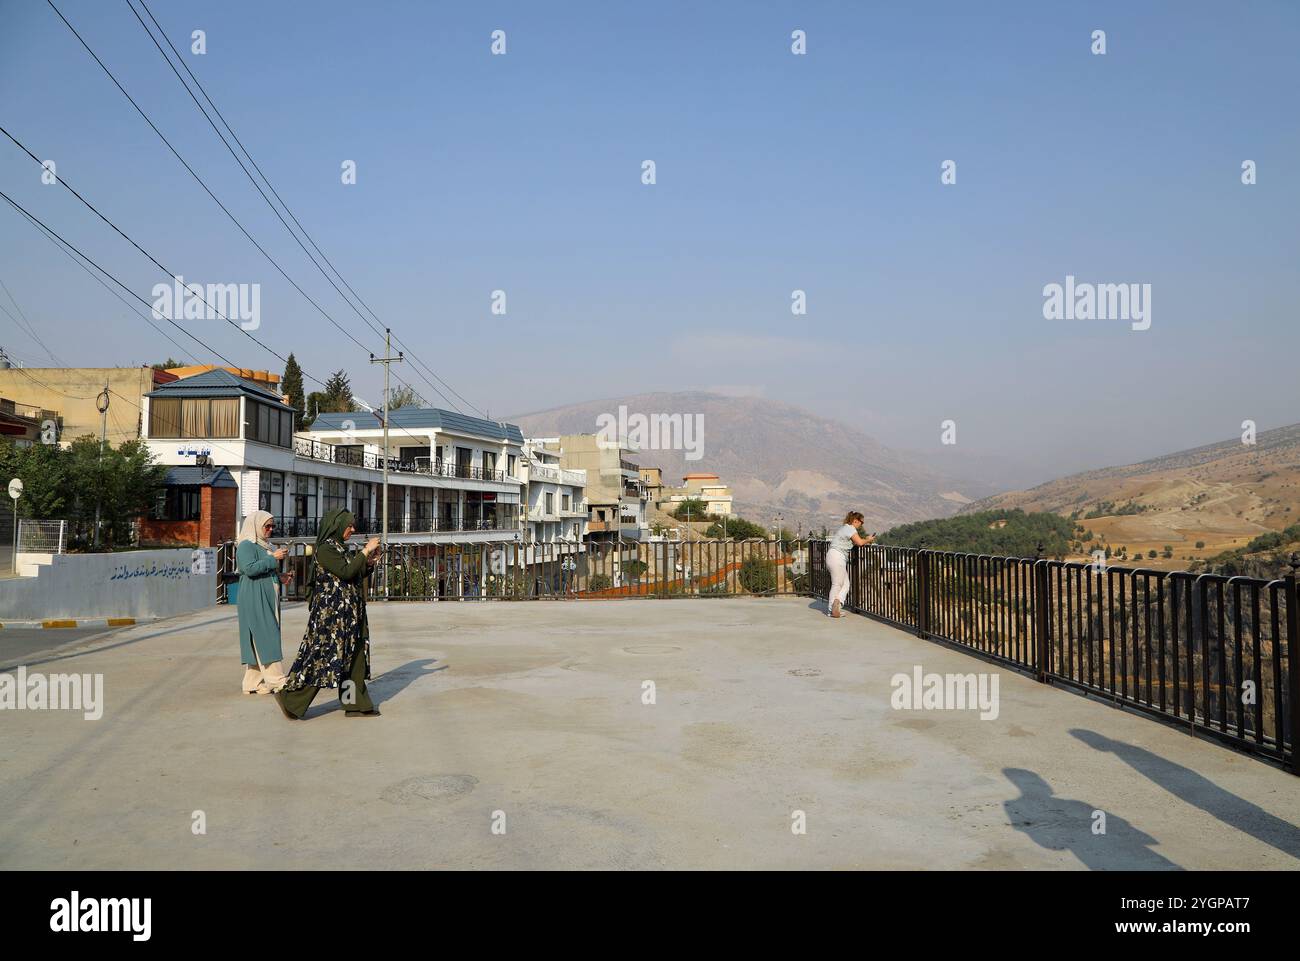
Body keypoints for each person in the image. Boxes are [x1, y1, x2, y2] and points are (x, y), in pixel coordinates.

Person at [275, 508, 382, 720]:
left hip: (350, 612)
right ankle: (290, 700)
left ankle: (355, 703)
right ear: (337, 526)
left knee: (355, 657)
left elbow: (355, 572)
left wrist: (369, 561)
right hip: (332, 617)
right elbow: (346, 572)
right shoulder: (325, 550)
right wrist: (364, 551)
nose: (352, 529)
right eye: (349, 526)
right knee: (322, 659)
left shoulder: (340, 548)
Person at [235, 510, 291, 694]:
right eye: (267, 526)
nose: (270, 529)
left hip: (264, 594)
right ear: (256, 526)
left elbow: (263, 569)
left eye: (272, 526)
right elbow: (249, 569)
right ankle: (277, 680)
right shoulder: (246, 545)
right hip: (253, 594)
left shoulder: (263, 545)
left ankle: (252, 682)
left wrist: (280, 576)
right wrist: (272, 558)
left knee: (258, 636)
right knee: (267, 634)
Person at [826, 511, 874, 618]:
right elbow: (860, 542)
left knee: (846, 584)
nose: (861, 525)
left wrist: (864, 540)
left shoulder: (845, 528)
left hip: (833, 556)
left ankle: (837, 603)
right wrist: (868, 540)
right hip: (837, 557)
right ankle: (831, 610)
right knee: (837, 584)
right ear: (855, 521)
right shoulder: (850, 528)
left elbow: (856, 541)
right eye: (861, 522)